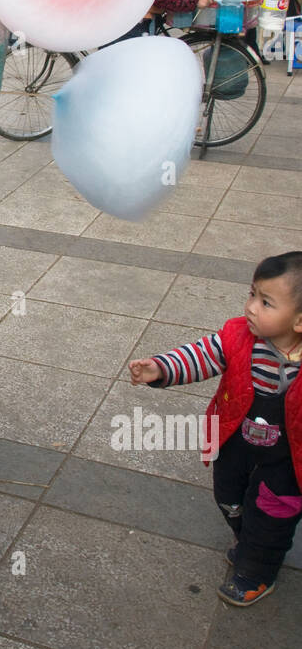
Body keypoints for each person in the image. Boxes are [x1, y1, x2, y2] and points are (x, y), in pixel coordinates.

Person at [129, 251, 302, 607]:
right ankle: (245, 538)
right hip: (232, 443)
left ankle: (257, 572)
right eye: (252, 294)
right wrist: (161, 369)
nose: (251, 307)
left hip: (288, 462)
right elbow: (202, 355)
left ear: (299, 321)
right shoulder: (239, 337)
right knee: (229, 498)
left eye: (266, 302)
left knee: (271, 516)